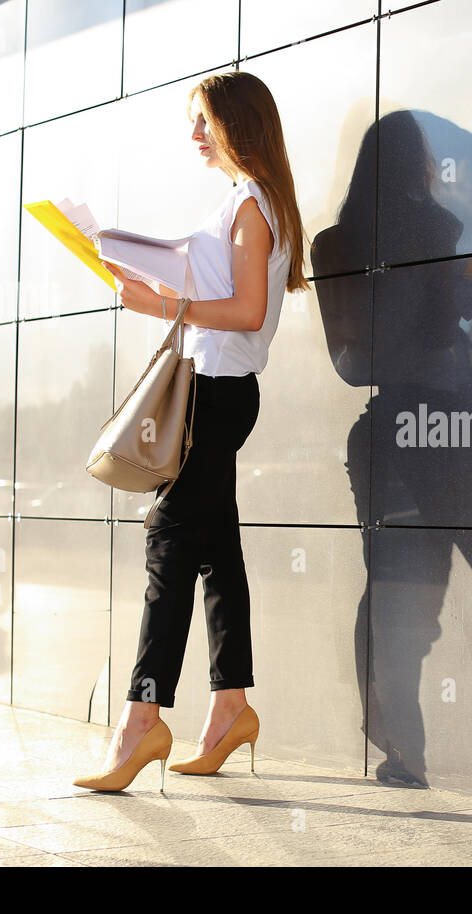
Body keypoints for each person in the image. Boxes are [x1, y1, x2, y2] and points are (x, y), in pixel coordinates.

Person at [73, 71, 308, 792]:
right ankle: (231, 707)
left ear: (240, 124)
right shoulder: (243, 203)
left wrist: (159, 305)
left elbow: (243, 311)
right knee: (214, 552)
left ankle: (142, 720)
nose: (195, 135)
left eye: (205, 121)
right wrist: (153, 285)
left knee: (168, 543)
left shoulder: (253, 208)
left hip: (216, 396)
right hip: (216, 392)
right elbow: (221, 298)